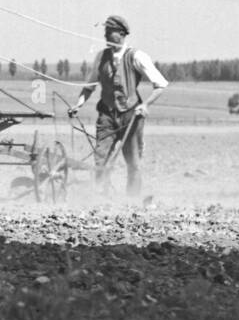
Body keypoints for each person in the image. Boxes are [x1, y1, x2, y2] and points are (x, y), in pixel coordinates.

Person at [70, 16, 168, 197]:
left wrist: (145, 105)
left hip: (131, 115)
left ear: (121, 34)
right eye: (105, 31)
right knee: (101, 158)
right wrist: (79, 104)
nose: (105, 34)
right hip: (106, 114)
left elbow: (161, 84)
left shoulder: (136, 56)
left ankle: (132, 201)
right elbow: (90, 85)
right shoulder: (101, 57)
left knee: (133, 162)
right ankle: (101, 198)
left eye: (109, 31)